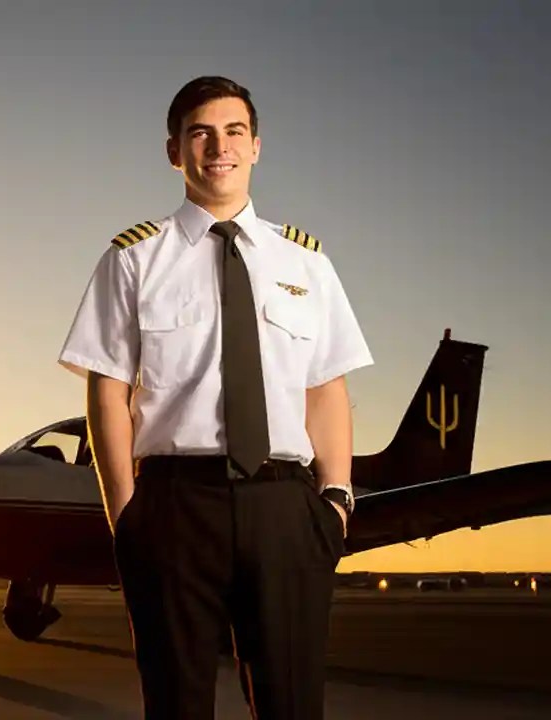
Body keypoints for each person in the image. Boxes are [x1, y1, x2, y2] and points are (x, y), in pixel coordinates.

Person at [58, 76, 373, 719]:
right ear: (175, 151)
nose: (218, 146)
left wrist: (335, 501)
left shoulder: (307, 263)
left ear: (256, 147)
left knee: (292, 707)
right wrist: (128, 517)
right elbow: (108, 392)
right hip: (174, 509)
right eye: (200, 132)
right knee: (175, 705)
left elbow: (326, 388)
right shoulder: (133, 260)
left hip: (287, 507)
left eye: (233, 132)